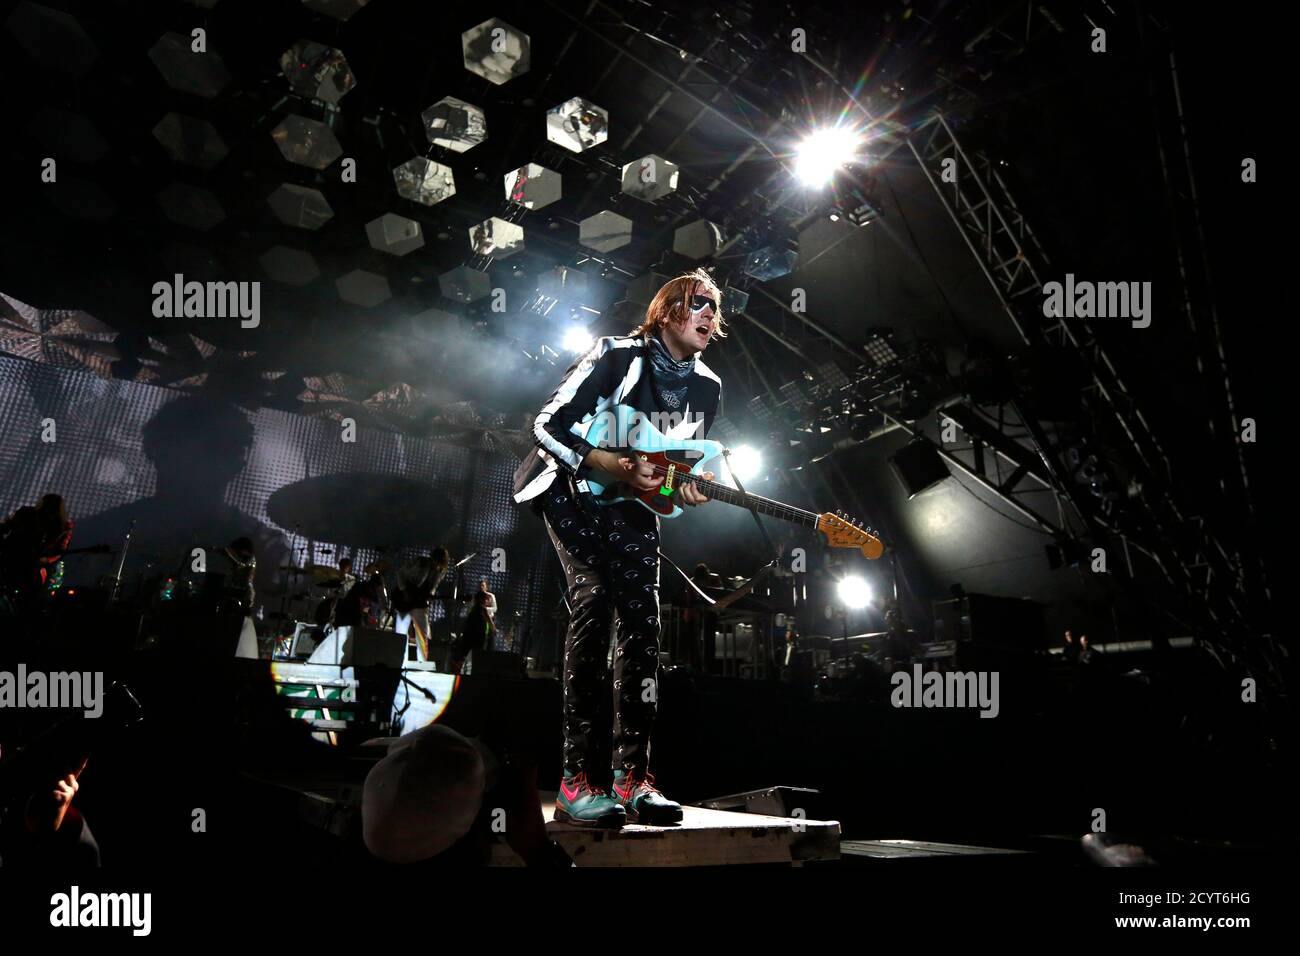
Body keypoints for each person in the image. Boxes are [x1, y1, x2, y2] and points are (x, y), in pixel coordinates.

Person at [512, 268, 726, 828]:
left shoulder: (707, 386)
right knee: (598, 600)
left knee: (644, 626)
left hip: (630, 501)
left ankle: (635, 779)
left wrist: (687, 486)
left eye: (715, 308)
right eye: (698, 303)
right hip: (566, 484)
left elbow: (674, 467)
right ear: (666, 310)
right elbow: (546, 425)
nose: (709, 314)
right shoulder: (614, 354)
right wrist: (601, 460)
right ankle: (576, 781)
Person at [0, 494, 74, 610]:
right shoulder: (28, 514)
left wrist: (44, 559)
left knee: (28, 593)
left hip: (23, 562)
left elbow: (59, 551)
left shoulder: (62, 526)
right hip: (18, 560)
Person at [394, 547, 450, 661]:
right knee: (401, 633)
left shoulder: (441, 571)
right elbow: (401, 573)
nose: (443, 561)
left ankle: (422, 663)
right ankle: (399, 661)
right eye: (441, 558)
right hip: (404, 599)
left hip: (419, 602)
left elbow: (434, 586)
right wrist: (405, 591)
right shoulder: (421, 562)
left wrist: (430, 595)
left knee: (423, 633)